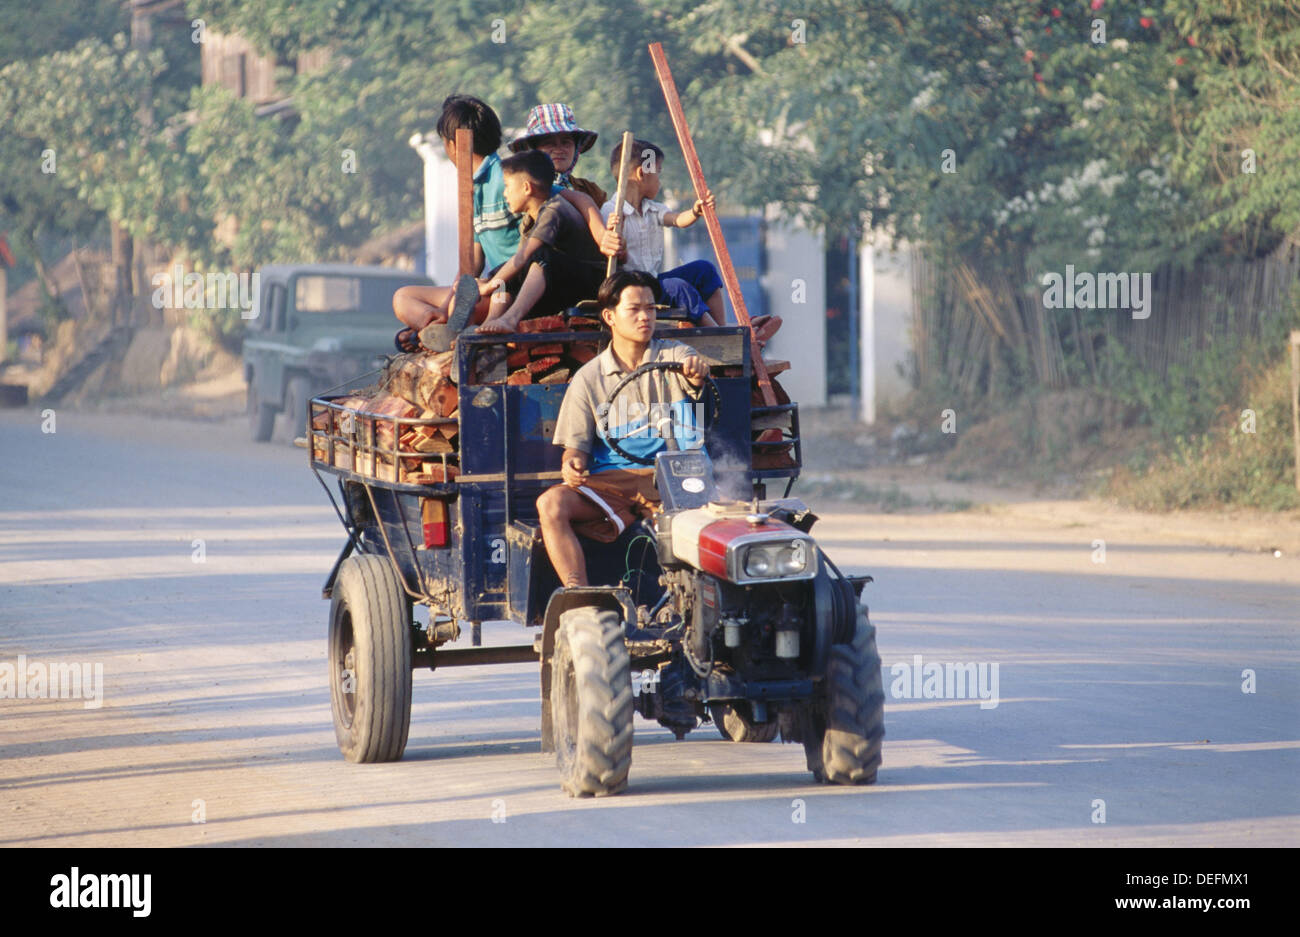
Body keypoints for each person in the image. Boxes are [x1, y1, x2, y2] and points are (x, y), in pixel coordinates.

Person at [536, 270, 710, 587]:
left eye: (651, 308)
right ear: (610, 316)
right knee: (550, 504)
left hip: (669, 478)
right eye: (634, 309)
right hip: (611, 484)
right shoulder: (588, 378)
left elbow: (692, 365)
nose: (645, 317)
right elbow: (575, 449)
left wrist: (695, 372)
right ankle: (578, 593)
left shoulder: (672, 355)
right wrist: (571, 465)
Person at [392, 95, 518, 339]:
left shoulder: (507, 178)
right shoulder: (472, 189)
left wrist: (481, 287)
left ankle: (439, 333)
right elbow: (471, 265)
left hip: (507, 289)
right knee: (403, 298)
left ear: (451, 144)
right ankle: (433, 330)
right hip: (483, 289)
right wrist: (441, 308)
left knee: (457, 308)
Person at [477, 150, 608, 333]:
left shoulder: (554, 209)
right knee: (506, 272)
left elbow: (526, 255)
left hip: (591, 283)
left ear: (526, 188)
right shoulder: (529, 220)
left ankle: (510, 318)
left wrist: (489, 286)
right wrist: (491, 280)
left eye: (507, 186)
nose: (505, 194)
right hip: (559, 280)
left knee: (540, 256)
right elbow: (518, 264)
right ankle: (492, 319)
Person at [600, 138, 724, 328]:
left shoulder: (653, 209)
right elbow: (618, 256)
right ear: (642, 173)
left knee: (704, 270)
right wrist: (615, 230)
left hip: (654, 281)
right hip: (633, 287)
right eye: (658, 173)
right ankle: (718, 335)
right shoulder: (611, 212)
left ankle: (723, 329)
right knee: (678, 287)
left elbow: (677, 220)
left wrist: (695, 212)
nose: (660, 181)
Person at [509, 103, 608, 206]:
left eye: (566, 142)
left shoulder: (591, 191)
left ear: (576, 147)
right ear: (533, 150)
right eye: (549, 143)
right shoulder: (520, 192)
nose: (559, 150)